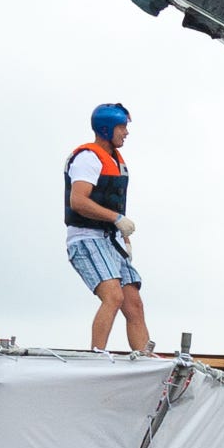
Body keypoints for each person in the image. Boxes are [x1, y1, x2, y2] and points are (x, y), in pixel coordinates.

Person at [63, 102, 148, 351]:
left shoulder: (116, 160)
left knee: (133, 303)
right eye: (122, 127)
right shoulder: (88, 159)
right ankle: (96, 356)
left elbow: (114, 204)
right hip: (86, 238)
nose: (126, 132)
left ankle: (144, 357)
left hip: (111, 239)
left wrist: (125, 237)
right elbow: (78, 201)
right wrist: (116, 219)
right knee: (113, 296)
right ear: (107, 128)